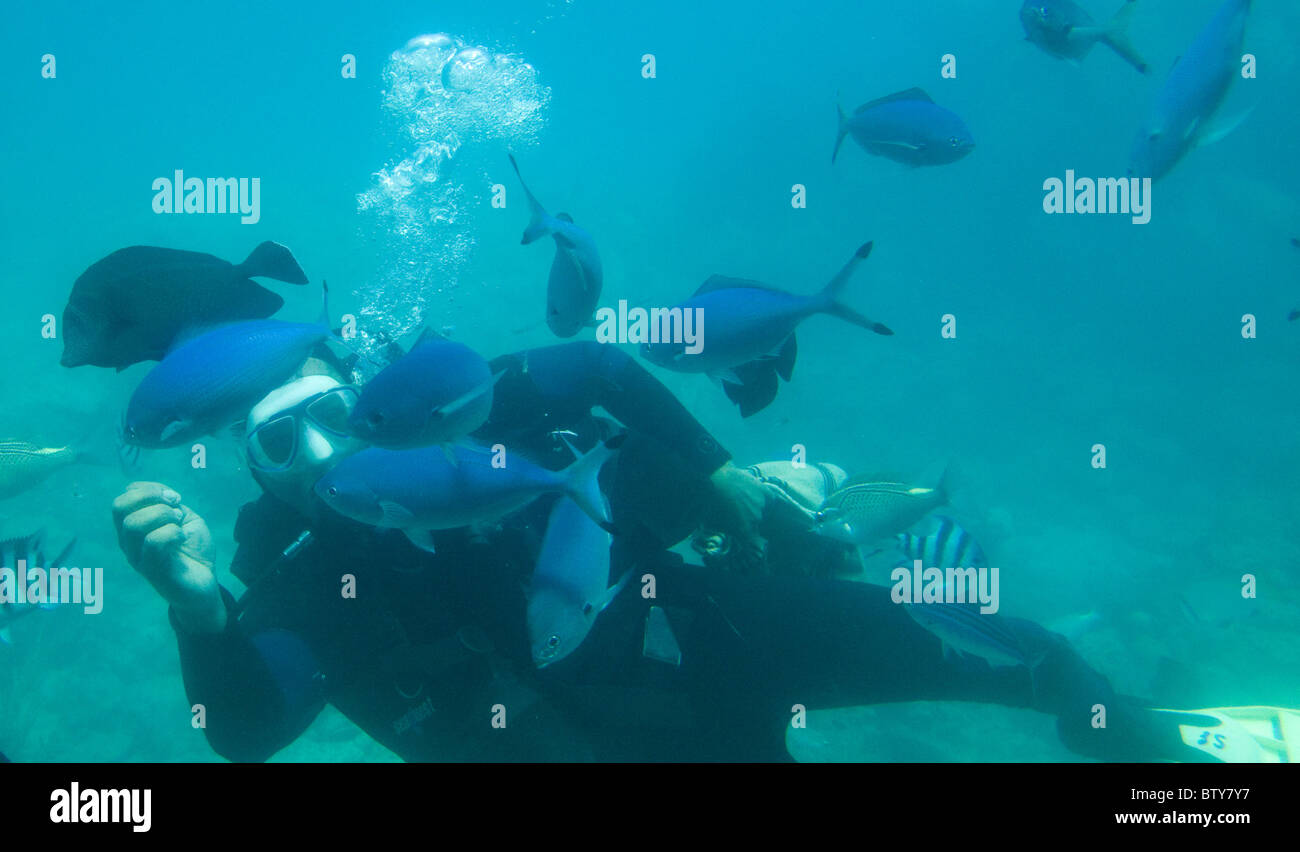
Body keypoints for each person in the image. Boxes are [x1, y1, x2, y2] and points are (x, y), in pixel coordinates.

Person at [114, 341, 1232, 762]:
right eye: (276, 438)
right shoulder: (315, 578)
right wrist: (195, 608)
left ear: (366, 390)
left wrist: (721, 469)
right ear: (247, 463)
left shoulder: (465, 416)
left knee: (1029, 657)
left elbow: (595, 366)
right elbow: (248, 729)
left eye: (330, 407)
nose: (318, 449)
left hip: (724, 640)